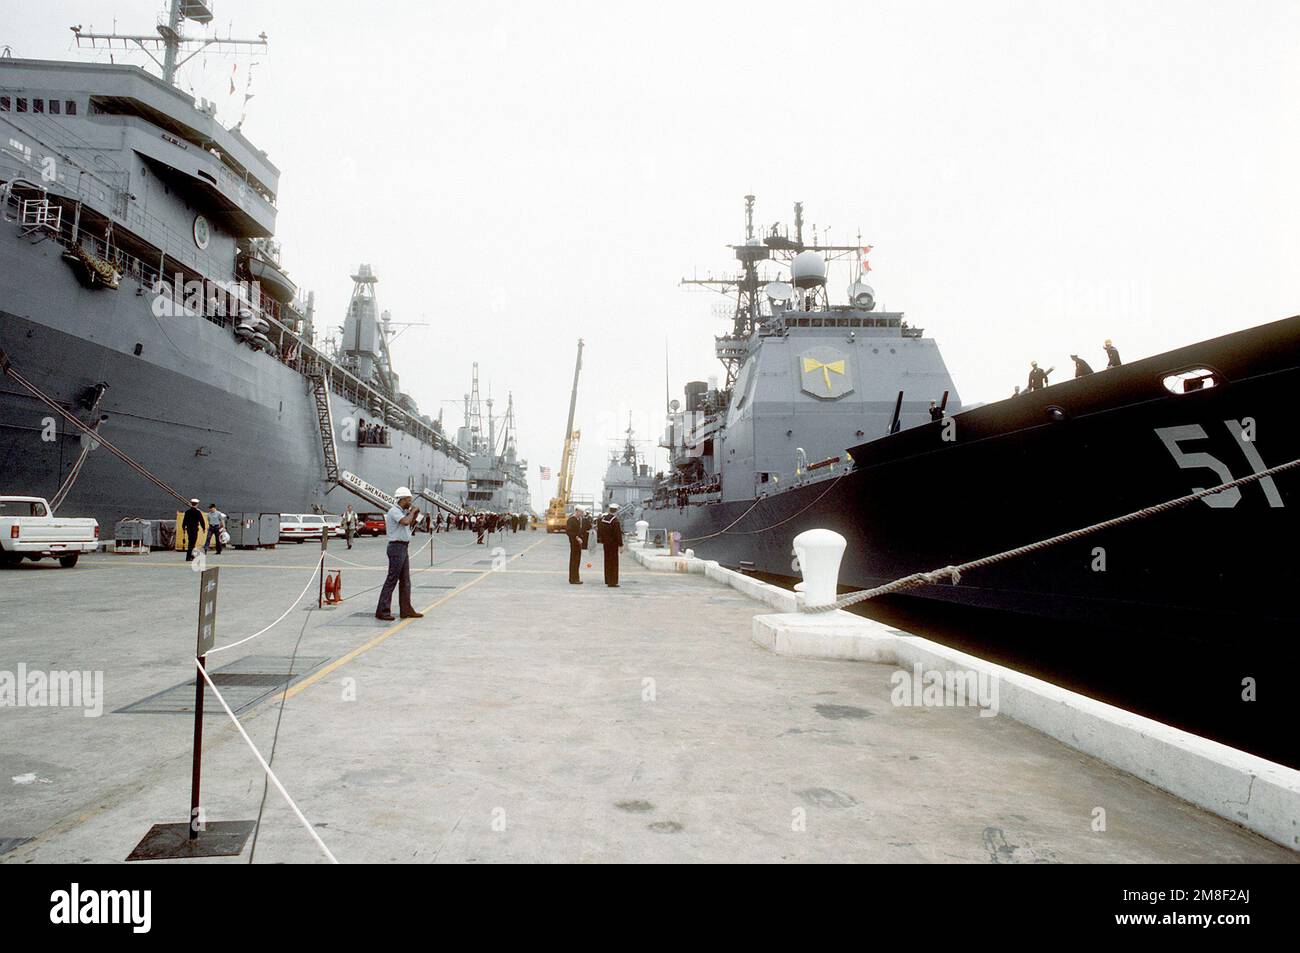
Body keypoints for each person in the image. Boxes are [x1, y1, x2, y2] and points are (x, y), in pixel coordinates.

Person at [375, 487, 424, 622]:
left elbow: (411, 523)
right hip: (396, 547)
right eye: (409, 499)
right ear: (402, 499)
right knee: (392, 580)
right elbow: (405, 522)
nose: (410, 501)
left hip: (403, 547)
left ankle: (406, 609)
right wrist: (412, 512)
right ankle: (382, 611)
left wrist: (416, 514)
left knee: (405, 581)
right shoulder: (394, 511)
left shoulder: (403, 512)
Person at [596, 503, 625, 587]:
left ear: (609, 510)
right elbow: (618, 534)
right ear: (616, 510)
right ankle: (613, 582)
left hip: (606, 544)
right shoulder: (615, 521)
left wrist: (601, 539)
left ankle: (607, 579)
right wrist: (621, 545)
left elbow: (600, 530)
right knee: (614, 562)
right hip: (613, 544)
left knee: (607, 561)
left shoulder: (603, 519)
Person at [566, 506, 584, 585]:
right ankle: (573, 579)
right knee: (574, 561)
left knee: (577, 561)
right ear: (576, 511)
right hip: (574, 542)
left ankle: (576, 578)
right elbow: (569, 532)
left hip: (578, 543)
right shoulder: (571, 520)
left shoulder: (578, 520)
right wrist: (577, 538)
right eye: (581, 512)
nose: (582, 513)